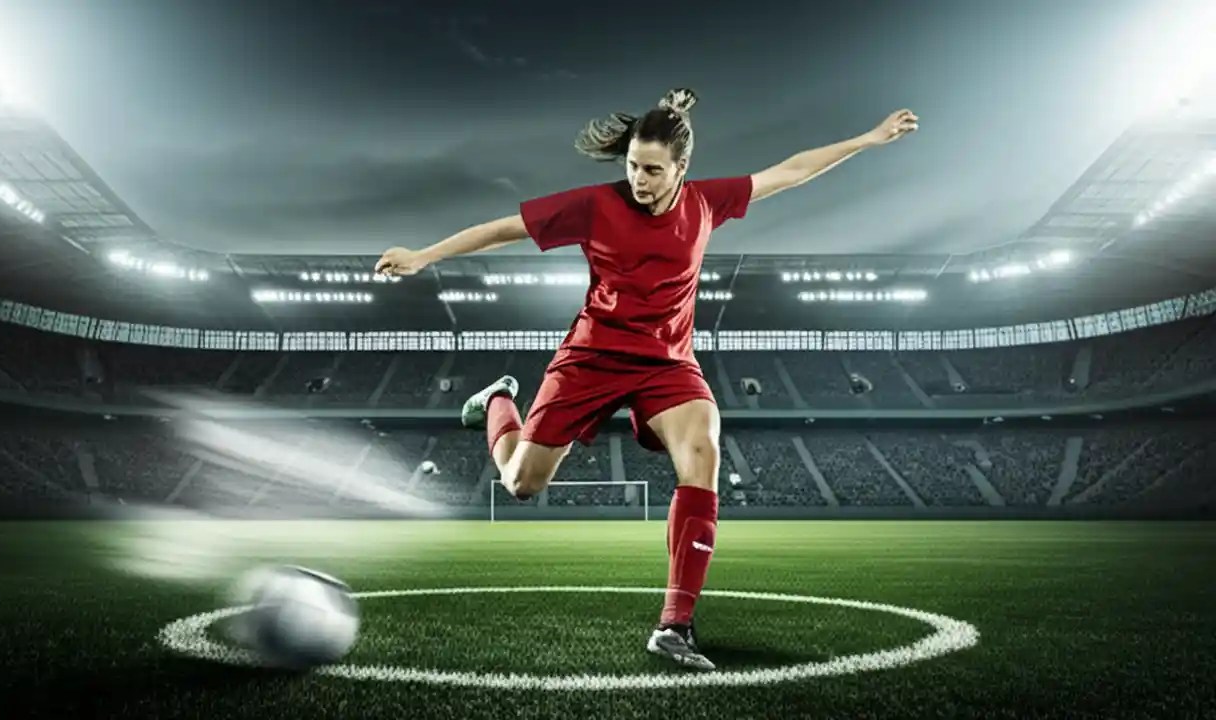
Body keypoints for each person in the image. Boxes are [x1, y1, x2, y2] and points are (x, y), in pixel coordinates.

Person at [375, 88, 918, 671]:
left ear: (682, 170)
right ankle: (499, 400)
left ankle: (675, 626)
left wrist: (867, 139)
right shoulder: (594, 205)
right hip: (592, 357)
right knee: (520, 483)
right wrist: (424, 255)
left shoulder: (708, 203)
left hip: (667, 363)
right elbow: (503, 228)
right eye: (633, 165)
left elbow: (792, 171)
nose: (639, 178)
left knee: (703, 445)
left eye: (653, 170)